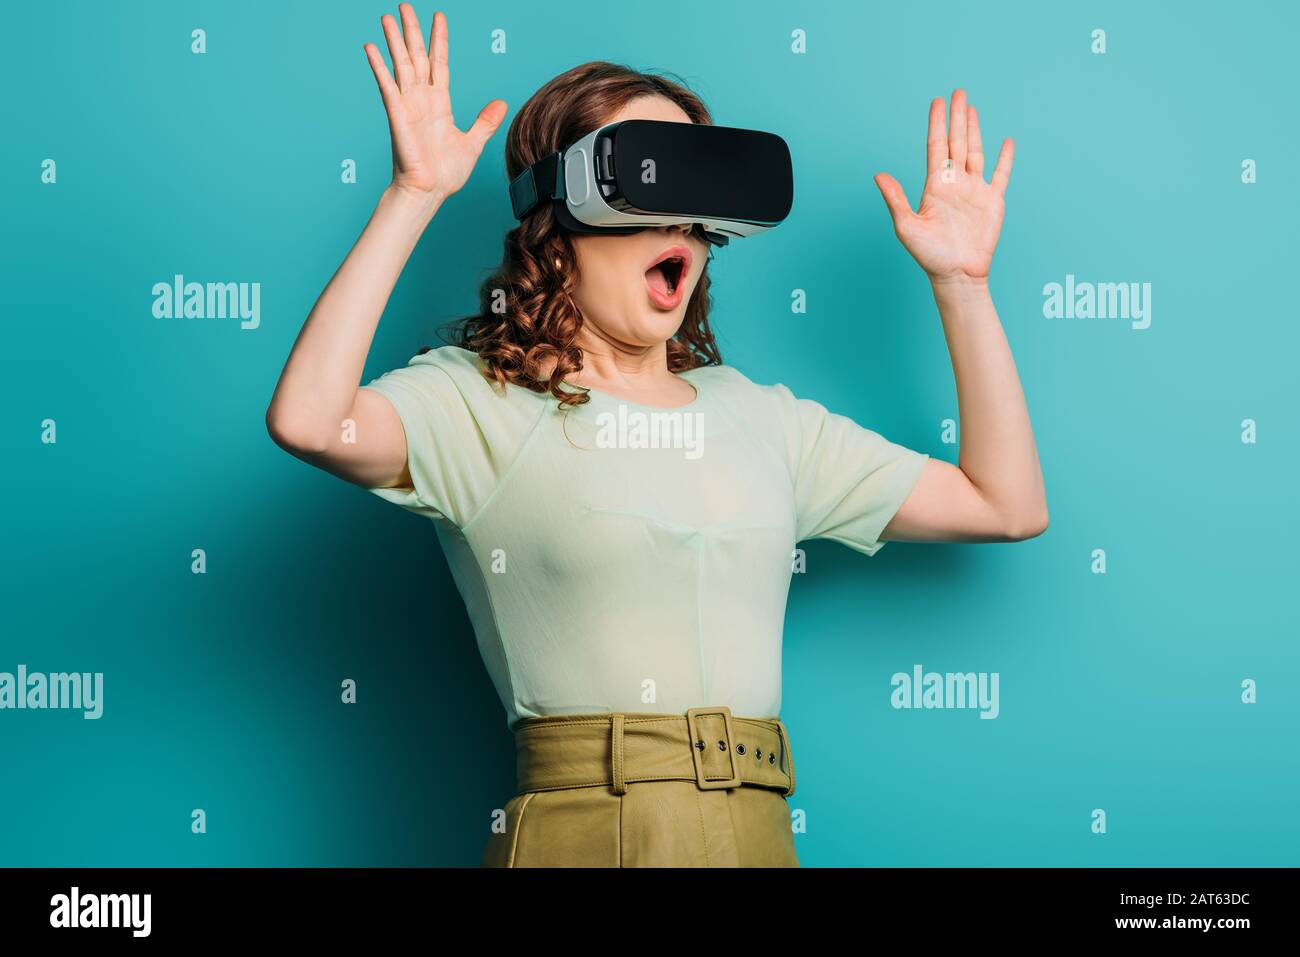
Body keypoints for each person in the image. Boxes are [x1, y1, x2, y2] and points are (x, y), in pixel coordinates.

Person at [265, 5, 1048, 867]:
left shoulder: (763, 420)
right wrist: (412, 197)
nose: (679, 219)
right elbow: (309, 419)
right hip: (581, 830)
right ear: (560, 216)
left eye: (696, 188)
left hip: (758, 830)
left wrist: (962, 285)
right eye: (647, 179)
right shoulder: (482, 402)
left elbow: (1005, 503)